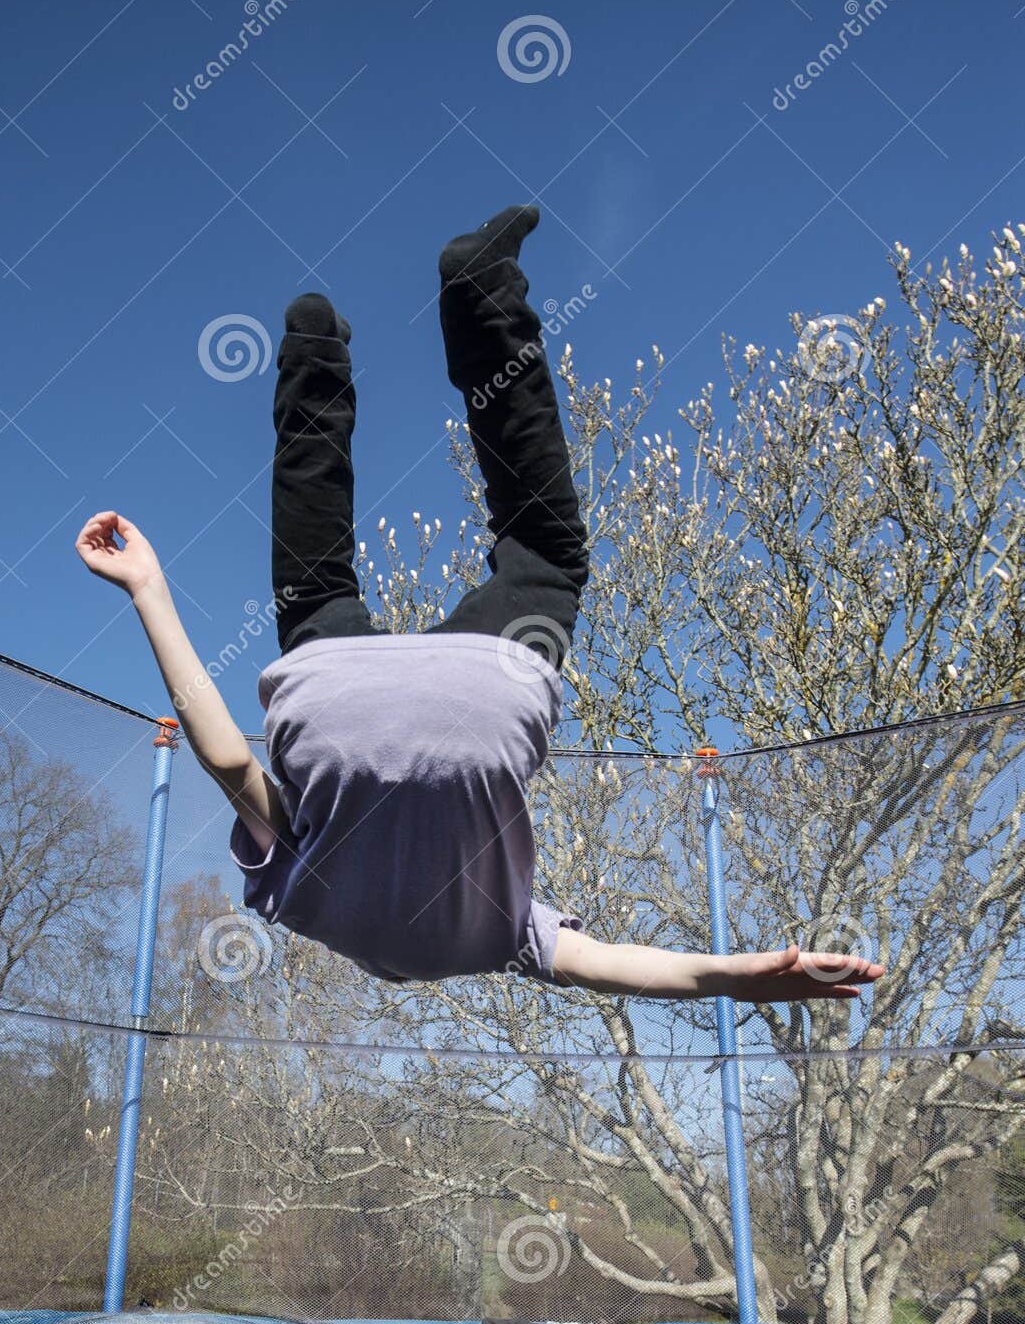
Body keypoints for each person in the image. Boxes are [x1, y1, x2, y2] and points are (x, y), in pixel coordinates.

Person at [76, 206, 882, 1005]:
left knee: (546, 552)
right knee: (314, 581)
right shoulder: (303, 905)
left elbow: (642, 968)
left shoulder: (506, 937)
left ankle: (484, 293)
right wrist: (148, 588)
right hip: (332, 693)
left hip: (483, 698)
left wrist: (738, 980)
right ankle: (311, 356)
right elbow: (223, 757)